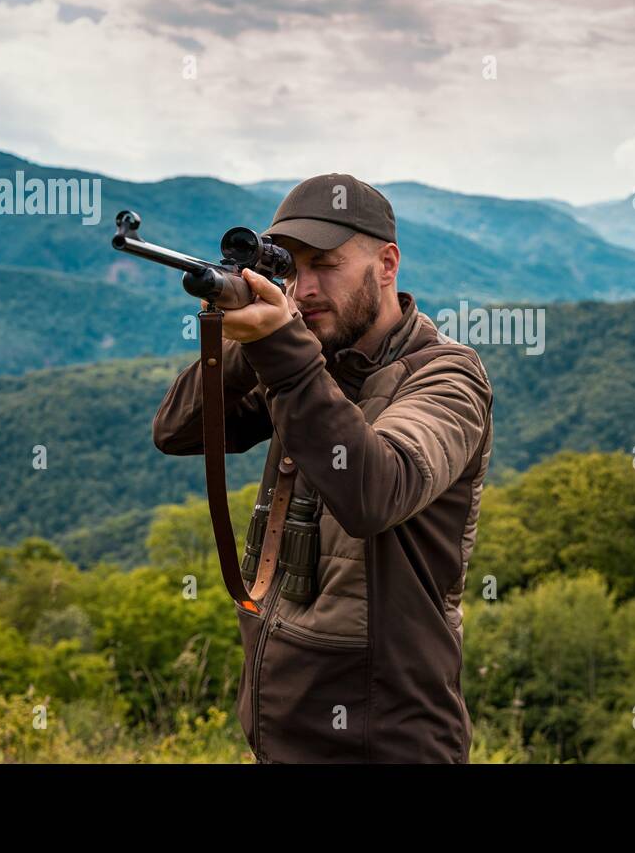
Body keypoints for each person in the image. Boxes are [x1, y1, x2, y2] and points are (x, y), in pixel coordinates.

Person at [152, 173, 493, 763]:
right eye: (290, 269)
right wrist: (244, 342)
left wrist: (281, 348)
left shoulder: (448, 379)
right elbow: (177, 432)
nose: (304, 288)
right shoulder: (312, 360)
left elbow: (373, 491)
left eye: (326, 265)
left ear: (387, 264)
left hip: (389, 744)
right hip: (284, 736)